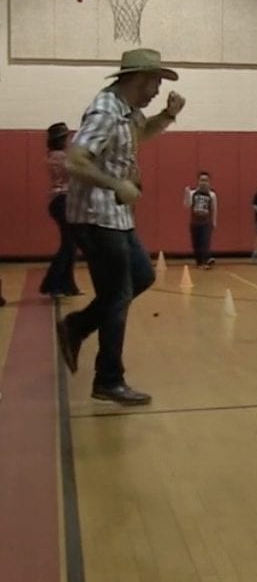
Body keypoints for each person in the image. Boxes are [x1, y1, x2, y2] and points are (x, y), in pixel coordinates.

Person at [56, 48, 185, 406]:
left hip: (116, 218)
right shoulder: (104, 111)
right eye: (156, 82)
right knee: (117, 296)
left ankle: (77, 327)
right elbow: (76, 160)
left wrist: (168, 115)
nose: (158, 89)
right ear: (138, 78)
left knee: (141, 277)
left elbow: (140, 137)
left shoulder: (128, 112)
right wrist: (116, 185)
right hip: (96, 217)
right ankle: (108, 379)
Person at [39, 122, 81, 297]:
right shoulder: (61, 157)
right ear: (62, 140)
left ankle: (67, 286)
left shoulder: (55, 155)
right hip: (63, 201)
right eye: (67, 137)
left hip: (62, 201)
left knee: (70, 244)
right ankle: (52, 283)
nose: (70, 140)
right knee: (69, 245)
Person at [183, 171, 217, 269]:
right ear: (198, 181)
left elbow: (214, 209)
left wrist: (214, 222)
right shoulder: (193, 193)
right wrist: (186, 194)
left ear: (209, 182)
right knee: (196, 243)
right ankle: (199, 261)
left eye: (206, 180)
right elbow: (187, 205)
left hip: (206, 222)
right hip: (195, 222)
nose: (204, 182)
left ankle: (206, 260)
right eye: (202, 180)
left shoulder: (212, 195)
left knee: (205, 242)